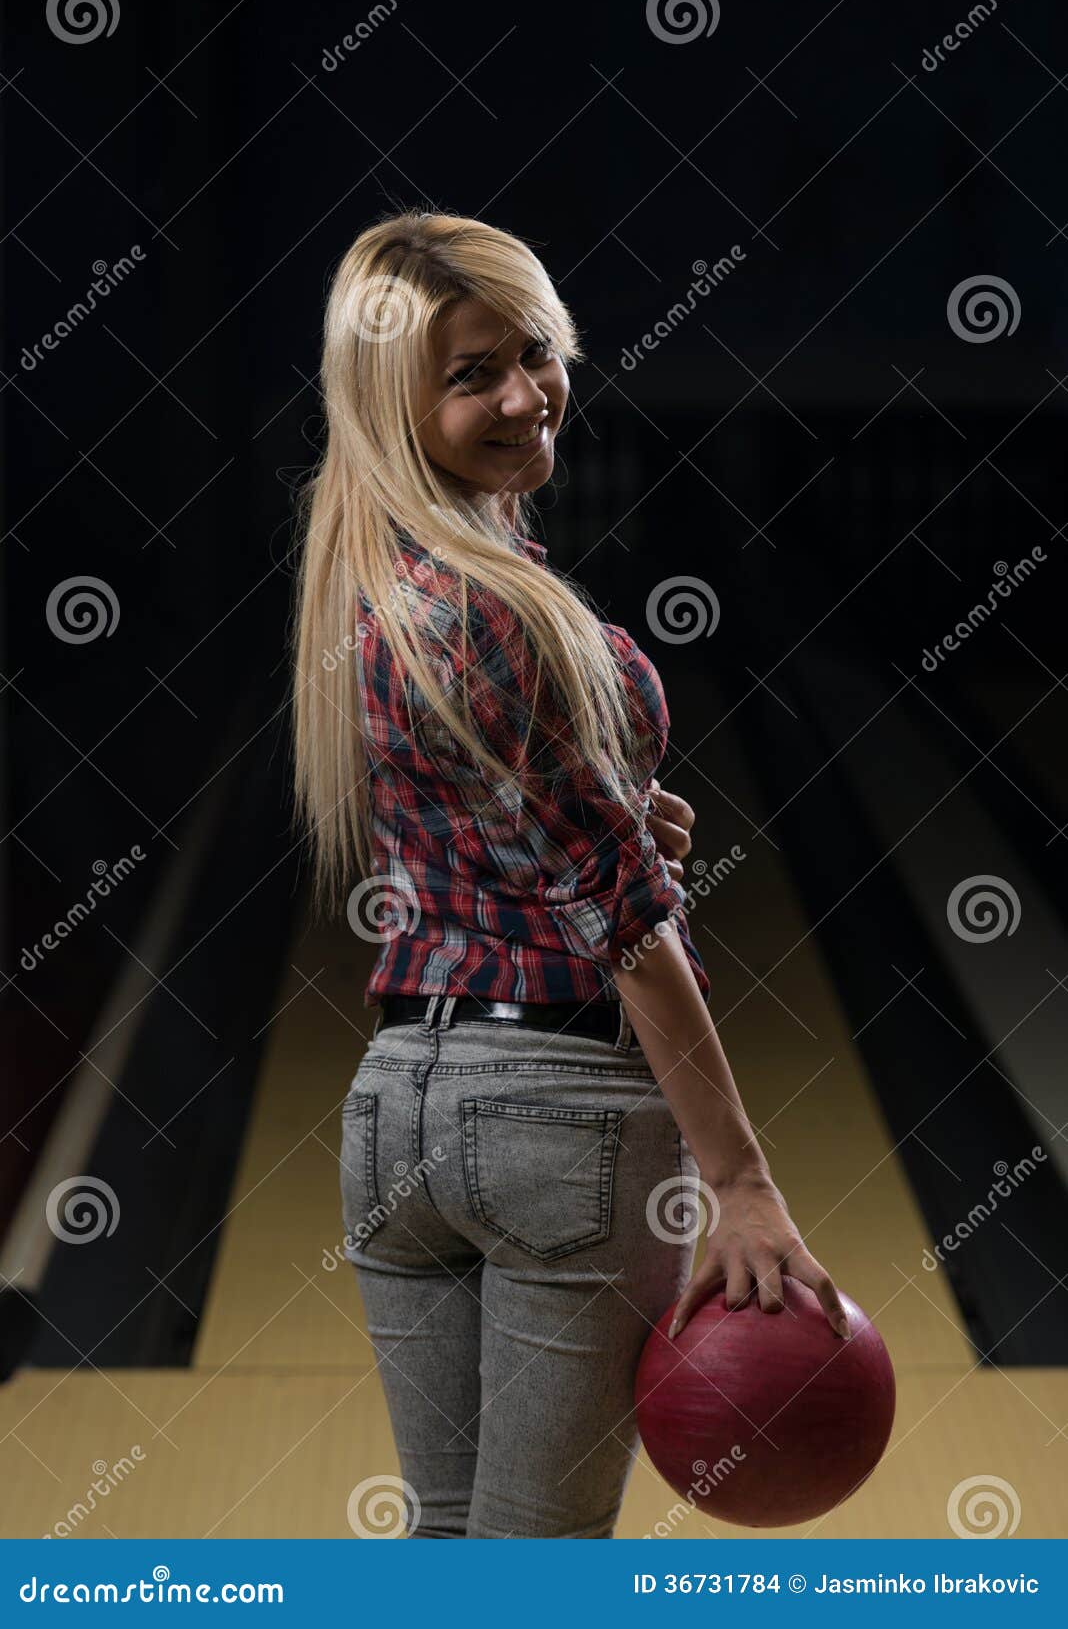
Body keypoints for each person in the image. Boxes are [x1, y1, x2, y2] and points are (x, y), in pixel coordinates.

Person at [290, 208, 850, 1540]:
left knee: (451, 1551)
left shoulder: (381, 584)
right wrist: (742, 1178)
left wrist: (606, 808)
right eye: (470, 373)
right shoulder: (501, 607)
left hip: (394, 1119)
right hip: (559, 1123)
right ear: (394, 404)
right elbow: (627, 920)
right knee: (540, 1573)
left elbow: (492, 837)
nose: (525, 393)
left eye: (534, 352)